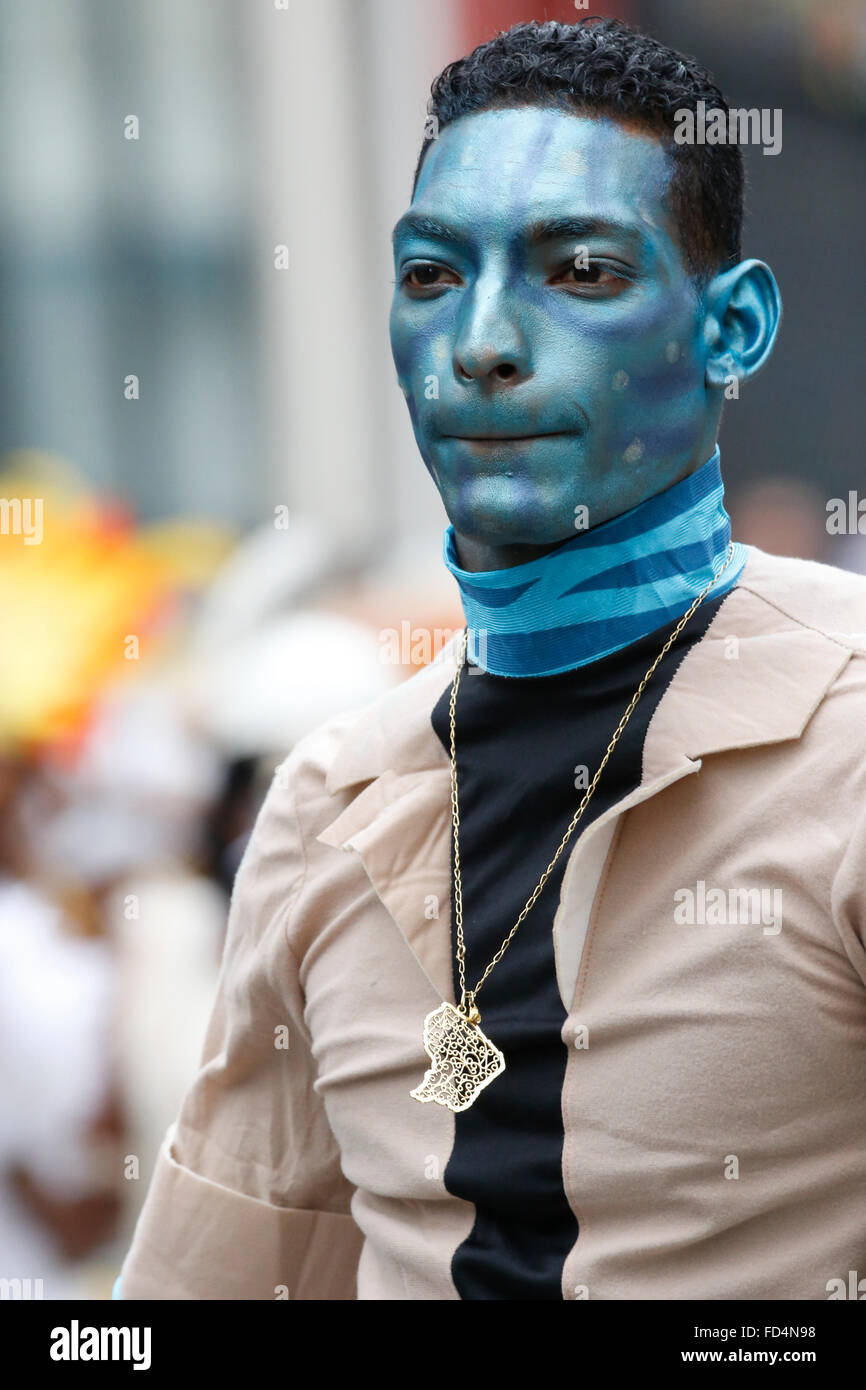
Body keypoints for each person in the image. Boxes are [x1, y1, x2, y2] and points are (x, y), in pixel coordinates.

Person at [116, 17, 866, 1301]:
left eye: (577, 271)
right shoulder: (328, 808)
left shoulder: (845, 747)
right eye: (428, 277)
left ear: (731, 330)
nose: (480, 344)